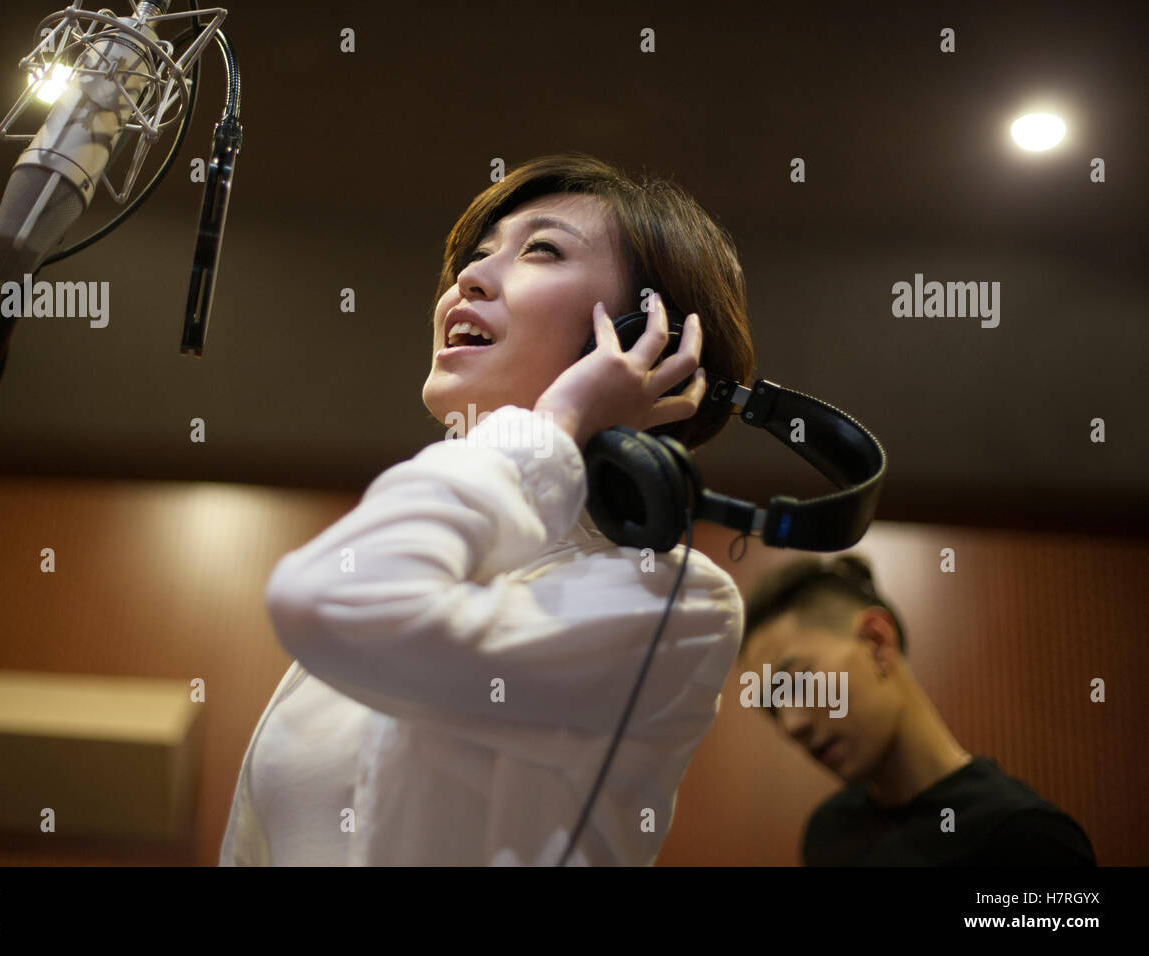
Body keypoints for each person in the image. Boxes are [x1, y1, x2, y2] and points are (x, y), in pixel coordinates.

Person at [219, 152, 756, 865]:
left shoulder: (672, 601)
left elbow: (324, 598)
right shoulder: (423, 537)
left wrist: (559, 420)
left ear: (636, 340)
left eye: (541, 250)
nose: (468, 279)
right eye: (475, 256)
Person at [738, 553, 1097, 865]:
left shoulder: (1026, 839)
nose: (791, 724)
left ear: (876, 643)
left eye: (797, 682)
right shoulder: (829, 834)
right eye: (772, 706)